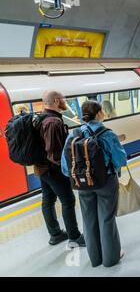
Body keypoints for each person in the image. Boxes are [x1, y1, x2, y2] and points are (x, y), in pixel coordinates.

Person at [62, 100, 127, 268]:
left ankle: (95, 259)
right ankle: (111, 259)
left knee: (88, 219)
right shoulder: (107, 134)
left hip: (82, 185)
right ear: (99, 114)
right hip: (106, 182)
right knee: (106, 219)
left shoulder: (73, 134)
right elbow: (121, 160)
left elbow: (65, 167)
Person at [34, 91, 85, 247]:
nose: (65, 102)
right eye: (63, 99)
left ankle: (55, 234)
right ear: (56, 101)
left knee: (48, 200)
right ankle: (74, 237)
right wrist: (68, 169)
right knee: (68, 201)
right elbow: (55, 153)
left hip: (41, 168)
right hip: (53, 169)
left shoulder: (41, 117)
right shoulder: (53, 122)